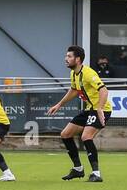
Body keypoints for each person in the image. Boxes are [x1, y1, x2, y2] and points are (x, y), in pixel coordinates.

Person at [47, 44, 112, 182]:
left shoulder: (89, 73)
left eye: (69, 56)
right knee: (65, 134)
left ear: (78, 59)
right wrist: (59, 104)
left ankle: (96, 174)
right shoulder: (73, 73)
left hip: (102, 109)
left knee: (86, 136)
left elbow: (104, 90)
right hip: (90, 109)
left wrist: (99, 108)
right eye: (66, 56)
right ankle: (78, 169)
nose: (66, 59)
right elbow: (74, 91)